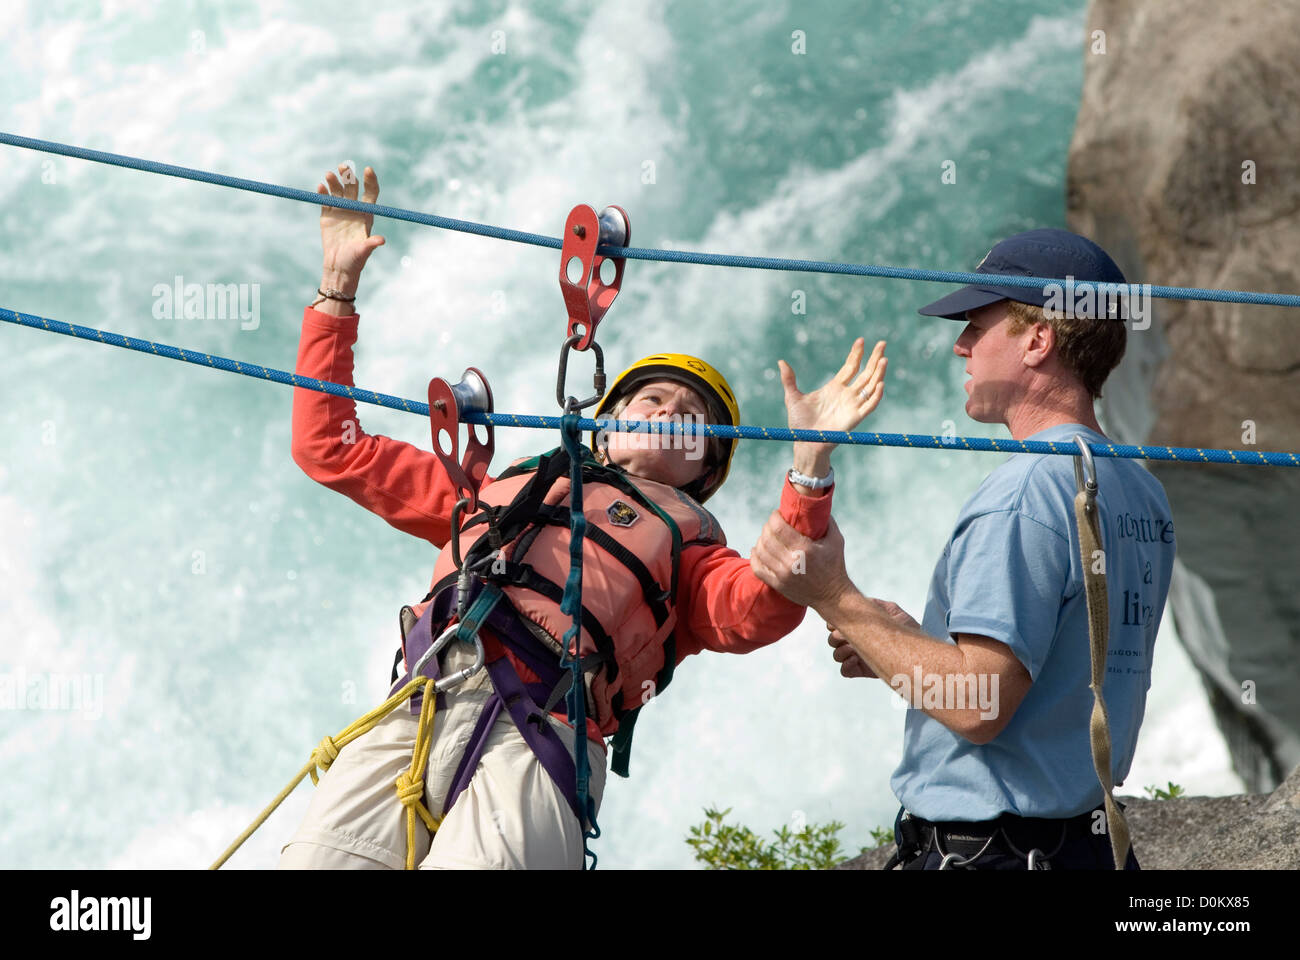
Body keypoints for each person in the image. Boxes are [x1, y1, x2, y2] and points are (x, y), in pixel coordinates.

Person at [277, 163, 889, 869]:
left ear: (704, 472)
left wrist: (808, 468)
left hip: (543, 738)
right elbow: (329, 447)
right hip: (419, 700)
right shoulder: (494, 491)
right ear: (606, 425)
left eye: (691, 418)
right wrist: (336, 289)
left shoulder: (688, 553)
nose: (666, 413)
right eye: (651, 400)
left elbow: (760, 609)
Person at [751, 228, 1176, 870]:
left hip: (997, 853)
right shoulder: (1142, 491)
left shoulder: (1023, 494)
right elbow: (1064, 664)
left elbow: (979, 705)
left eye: (977, 325)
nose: (960, 346)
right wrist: (900, 641)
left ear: (1039, 340)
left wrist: (835, 599)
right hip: (1090, 847)